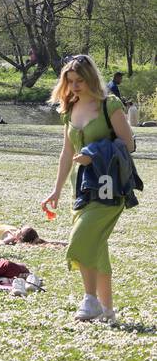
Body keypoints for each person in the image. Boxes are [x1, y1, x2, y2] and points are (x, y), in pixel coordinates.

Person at [42, 53, 138, 323]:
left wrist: (93, 153)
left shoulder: (110, 105)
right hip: (82, 189)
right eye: (70, 81)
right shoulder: (69, 109)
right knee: (96, 248)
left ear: (91, 79)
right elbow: (66, 153)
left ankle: (90, 300)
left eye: (79, 81)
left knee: (80, 239)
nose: (74, 86)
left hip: (109, 188)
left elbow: (128, 144)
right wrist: (56, 190)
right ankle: (107, 310)